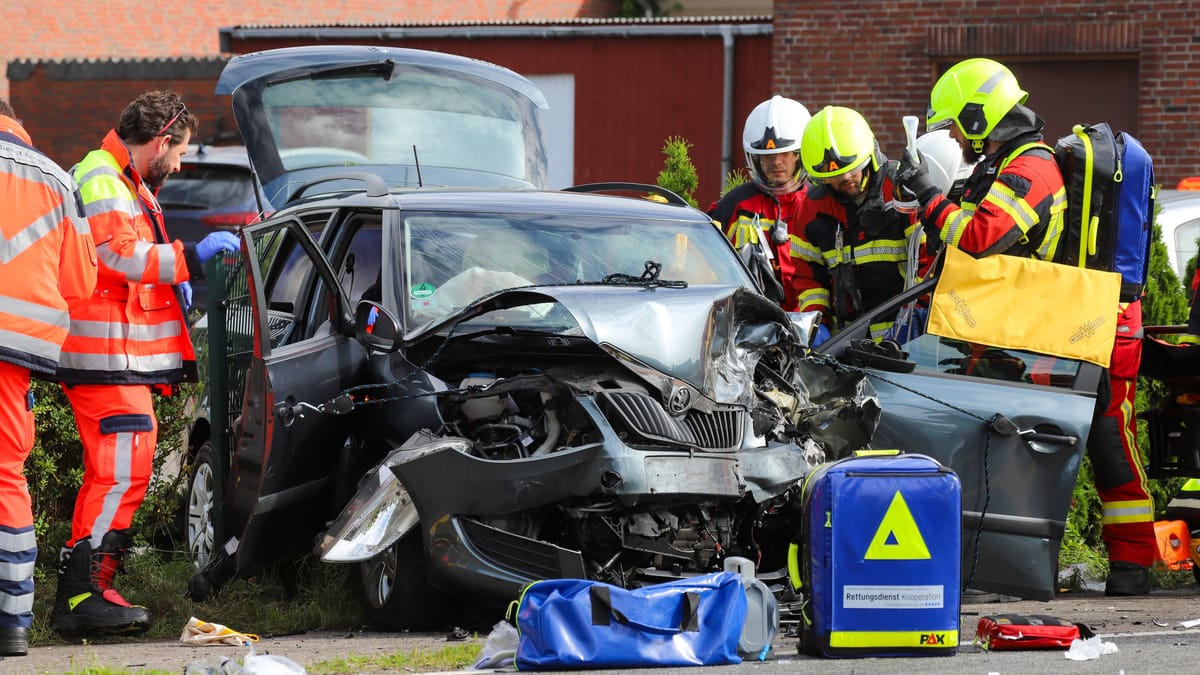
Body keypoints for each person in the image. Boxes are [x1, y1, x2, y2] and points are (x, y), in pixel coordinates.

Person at [896, 57, 1156, 596]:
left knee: (1108, 440)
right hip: (1065, 324)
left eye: (954, 125)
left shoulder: (1029, 168)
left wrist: (929, 196)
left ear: (976, 118)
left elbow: (981, 238)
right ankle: (1012, 558)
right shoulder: (1007, 163)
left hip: (1092, 323)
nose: (954, 139)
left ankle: (1134, 563)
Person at [51, 90, 240, 636]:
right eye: (178, 152)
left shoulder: (122, 182)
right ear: (160, 141)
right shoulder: (105, 179)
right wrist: (188, 259)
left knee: (121, 472)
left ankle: (92, 590)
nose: (179, 164)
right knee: (119, 473)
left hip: (117, 358)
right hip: (105, 356)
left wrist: (175, 276)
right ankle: (83, 594)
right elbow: (117, 254)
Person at [0, 100, 98, 657]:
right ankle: (12, 622)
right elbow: (80, 283)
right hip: (17, 353)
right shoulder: (58, 179)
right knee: (6, 478)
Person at [791, 105, 929, 341]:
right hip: (845, 344)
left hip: (908, 338)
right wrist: (816, 323)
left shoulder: (900, 190)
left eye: (851, 169)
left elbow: (928, 260)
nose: (845, 178)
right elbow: (808, 277)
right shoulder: (812, 210)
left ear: (870, 156)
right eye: (834, 176)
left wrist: (918, 315)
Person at [708, 95, 811, 312]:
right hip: (749, 322)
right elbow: (703, 258)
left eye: (784, 153)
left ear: (799, 155)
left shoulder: (816, 205)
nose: (776, 162)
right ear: (755, 159)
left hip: (808, 322)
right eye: (767, 156)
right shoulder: (735, 205)